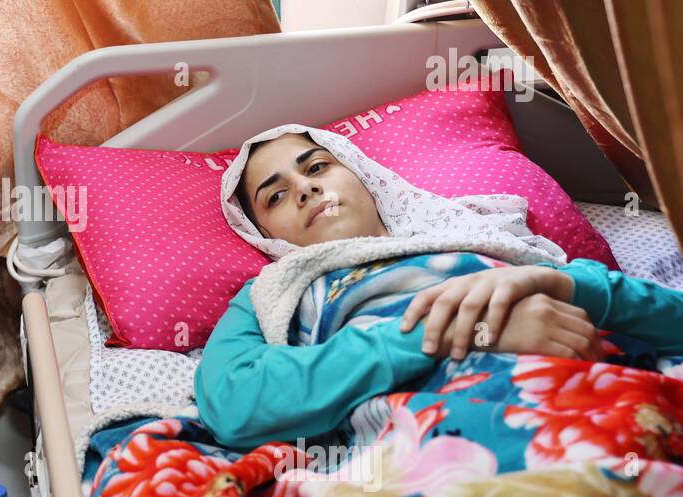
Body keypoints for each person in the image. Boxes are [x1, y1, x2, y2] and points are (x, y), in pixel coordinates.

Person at [197, 124, 683, 449]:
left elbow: (673, 321)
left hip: (617, 394)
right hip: (453, 441)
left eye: (317, 166)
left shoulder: (479, 237)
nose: (304, 188)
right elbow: (233, 403)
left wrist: (562, 286)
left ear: (363, 176)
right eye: (276, 195)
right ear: (260, 234)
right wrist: (458, 330)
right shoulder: (271, 293)